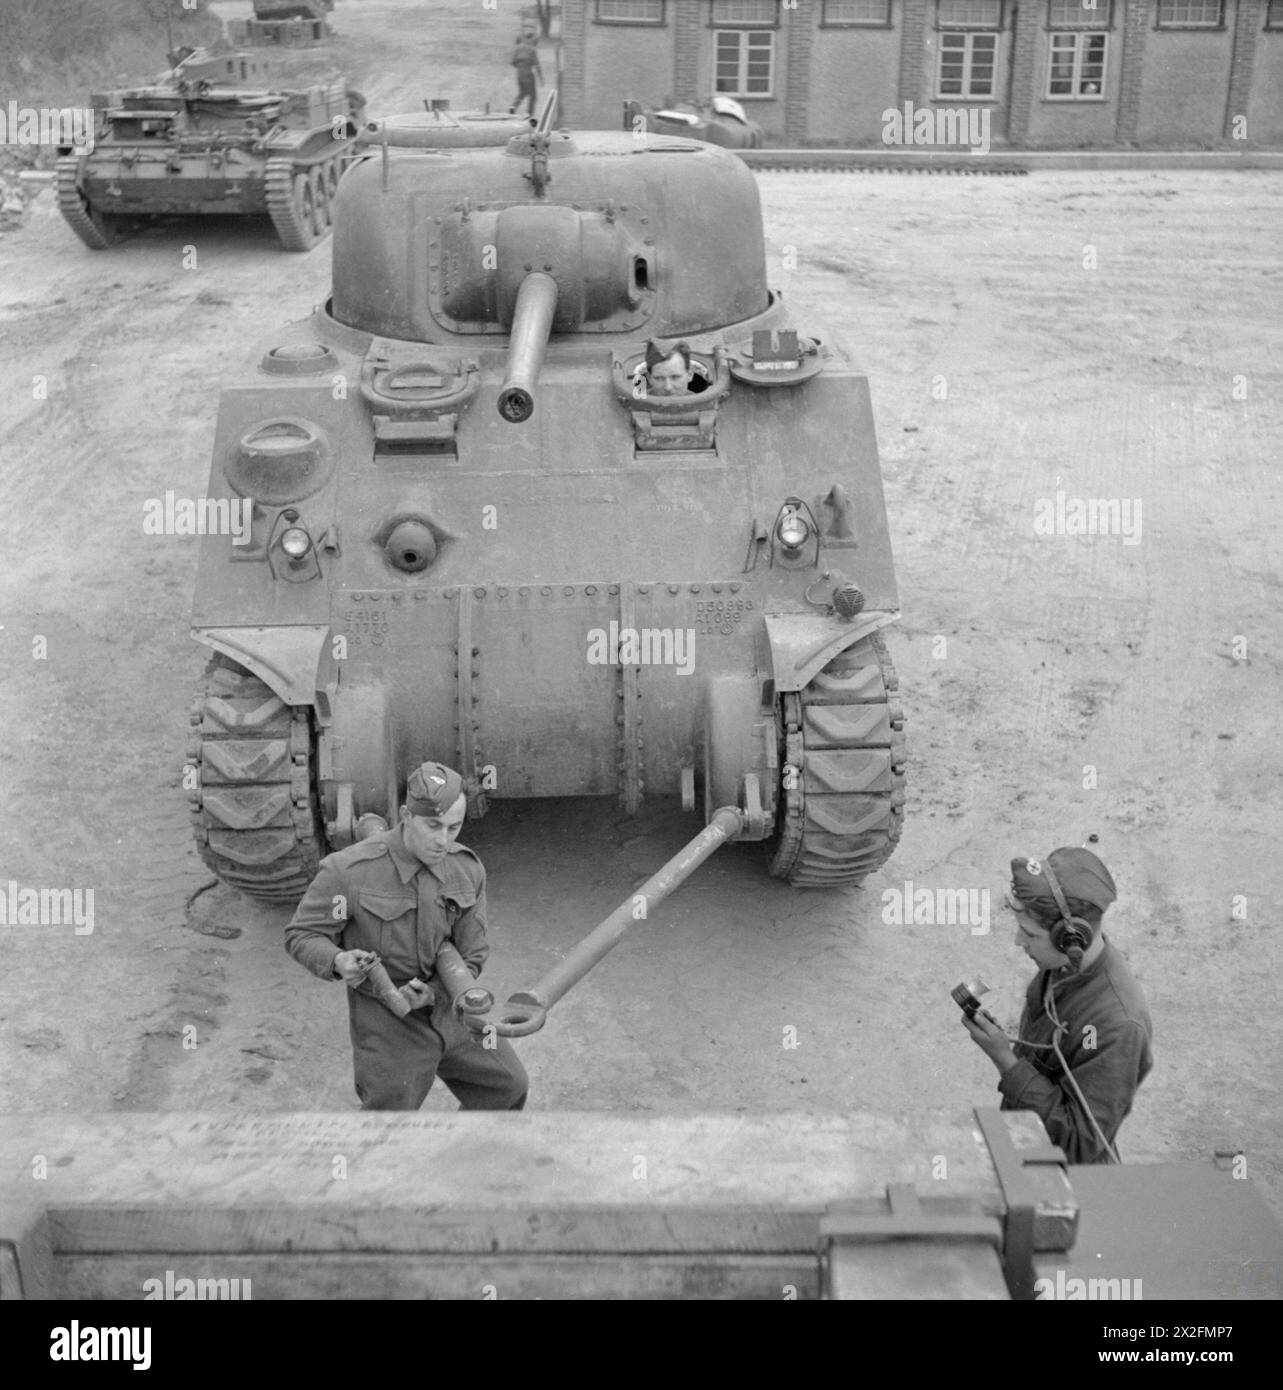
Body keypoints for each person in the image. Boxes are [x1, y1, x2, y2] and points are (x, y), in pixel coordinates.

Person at [284, 761, 529, 1112]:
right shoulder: (349, 872)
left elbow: (473, 955)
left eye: (453, 828)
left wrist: (435, 993)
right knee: (390, 1114)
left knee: (507, 1086)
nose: (443, 840)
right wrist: (337, 961)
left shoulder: (466, 869)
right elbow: (303, 934)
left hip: (449, 1006)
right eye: (433, 826)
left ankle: (463, 1162)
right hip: (388, 1018)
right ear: (405, 815)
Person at [963, 846, 1152, 1163]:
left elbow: (1080, 1145)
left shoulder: (1117, 1028)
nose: (1018, 942)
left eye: (1029, 934)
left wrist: (1005, 1060)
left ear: (1072, 937)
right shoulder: (1064, 968)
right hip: (1029, 1138)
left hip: (1066, 1176)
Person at [509, 29, 543, 118]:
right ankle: (529, 114)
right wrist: (541, 78)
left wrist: (520, 67)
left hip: (519, 74)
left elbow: (512, 62)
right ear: (532, 39)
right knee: (533, 96)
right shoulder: (532, 49)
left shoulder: (518, 48)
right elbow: (537, 65)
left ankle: (513, 107)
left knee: (522, 92)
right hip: (528, 74)